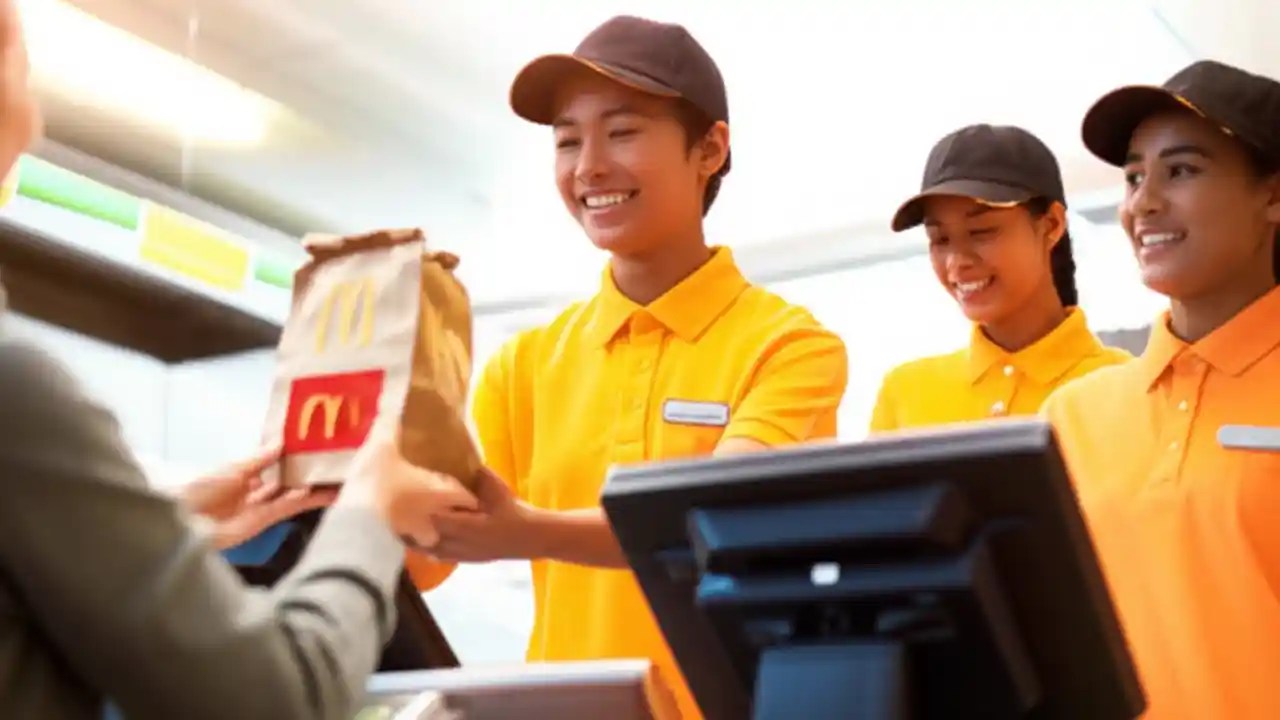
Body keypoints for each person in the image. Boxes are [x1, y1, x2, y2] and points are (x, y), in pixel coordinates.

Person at [0, 2, 479, 718]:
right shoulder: (16, 390)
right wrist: (370, 520)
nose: (35, 119)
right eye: (24, 74)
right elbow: (278, 697)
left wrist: (175, 526)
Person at [405, 15, 849, 720]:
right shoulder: (524, 364)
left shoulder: (789, 347)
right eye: (567, 140)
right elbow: (430, 560)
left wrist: (526, 531)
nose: (588, 167)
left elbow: (706, 528)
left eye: (622, 131)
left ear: (709, 149)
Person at [1042, 60, 1280, 719]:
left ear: (1272, 195)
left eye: (1181, 170)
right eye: (1133, 176)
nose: (1143, 203)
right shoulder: (1071, 417)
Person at [869, 124, 1130, 432]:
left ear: (1050, 225)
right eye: (940, 239)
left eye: (981, 232)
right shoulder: (904, 393)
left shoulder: (1127, 386)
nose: (957, 262)